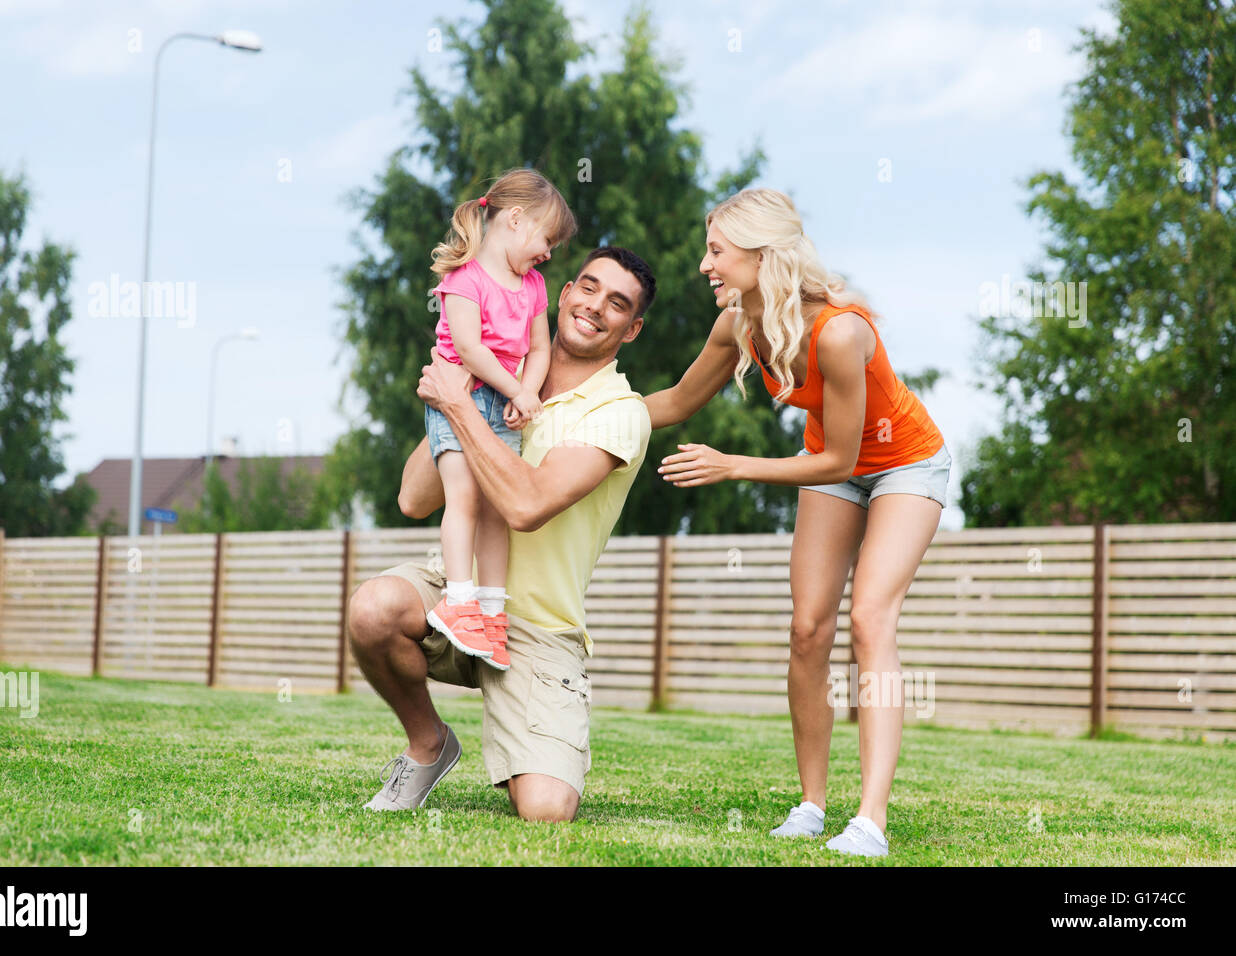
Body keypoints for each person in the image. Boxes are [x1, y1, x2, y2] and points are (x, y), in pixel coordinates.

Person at [644, 188, 950, 856]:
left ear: (762, 253)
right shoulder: (737, 324)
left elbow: (841, 455)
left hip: (905, 463)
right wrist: (577, 418)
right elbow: (675, 400)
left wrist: (734, 466)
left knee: (870, 619)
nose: (704, 265)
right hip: (831, 465)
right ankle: (812, 805)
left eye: (716, 250)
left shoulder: (840, 330)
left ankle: (870, 820)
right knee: (808, 629)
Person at [347, 246, 656, 822]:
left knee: (545, 811)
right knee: (373, 609)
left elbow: (526, 506)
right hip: (460, 595)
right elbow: (413, 498)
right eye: (587, 288)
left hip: (539, 629)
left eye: (617, 304)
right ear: (562, 294)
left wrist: (460, 407)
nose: (595, 307)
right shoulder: (493, 369)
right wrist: (459, 400)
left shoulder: (620, 412)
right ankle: (428, 745)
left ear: (631, 329)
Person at [423, 169, 576, 671]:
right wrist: (516, 389)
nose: (548, 253)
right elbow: (468, 348)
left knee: (495, 507)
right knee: (463, 499)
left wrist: (528, 390)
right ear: (515, 219)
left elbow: (537, 347)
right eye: (546, 239)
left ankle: (491, 612)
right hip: (461, 397)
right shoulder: (464, 280)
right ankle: (459, 601)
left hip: (504, 402)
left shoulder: (533, 285)